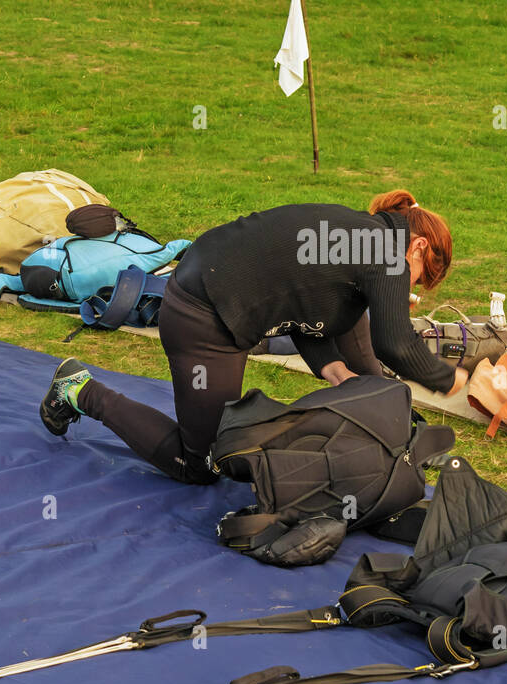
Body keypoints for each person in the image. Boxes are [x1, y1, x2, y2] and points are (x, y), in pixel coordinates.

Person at [39, 190, 468, 486]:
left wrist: (333, 368)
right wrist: (454, 381)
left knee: (355, 369)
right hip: (203, 315)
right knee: (202, 463)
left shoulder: (358, 237)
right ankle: (80, 391)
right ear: (417, 248)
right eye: (421, 276)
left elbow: (304, 301)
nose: (412, 286)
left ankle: (396, 437)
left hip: (218, 286)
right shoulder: (383, 252)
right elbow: (395, 341)